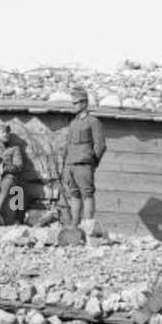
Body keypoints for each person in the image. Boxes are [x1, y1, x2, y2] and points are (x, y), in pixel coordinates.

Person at [61, 87, 108, 242]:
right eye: (73, 103)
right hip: (71, 165)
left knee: (87, 194)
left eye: (76, 103)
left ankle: (88, 227)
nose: (73, 106)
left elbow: (100, 145)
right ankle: (75, 226)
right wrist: (65, 165)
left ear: (84, 103)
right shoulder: (73, 123)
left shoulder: (93, 122)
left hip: (84, 164)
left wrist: (92, 163)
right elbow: (68, 146)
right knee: (74, 195)